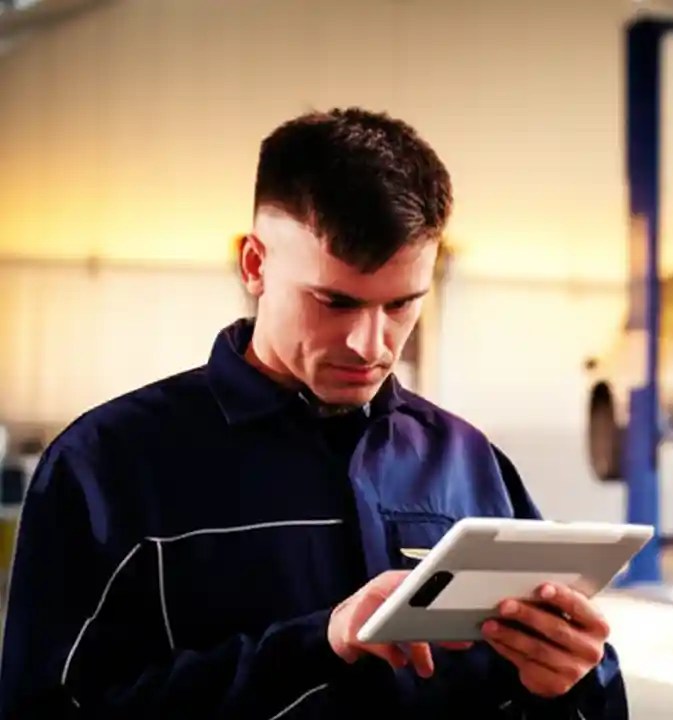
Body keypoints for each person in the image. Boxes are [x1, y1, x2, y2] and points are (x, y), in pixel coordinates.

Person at [0, 107, 629, 718]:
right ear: (255, 265)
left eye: (402, 305)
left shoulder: (468, 463)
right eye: (335, 302)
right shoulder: (108, 465)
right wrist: (318, 647)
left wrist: (568, 689)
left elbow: (544, 693)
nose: (370, 344)